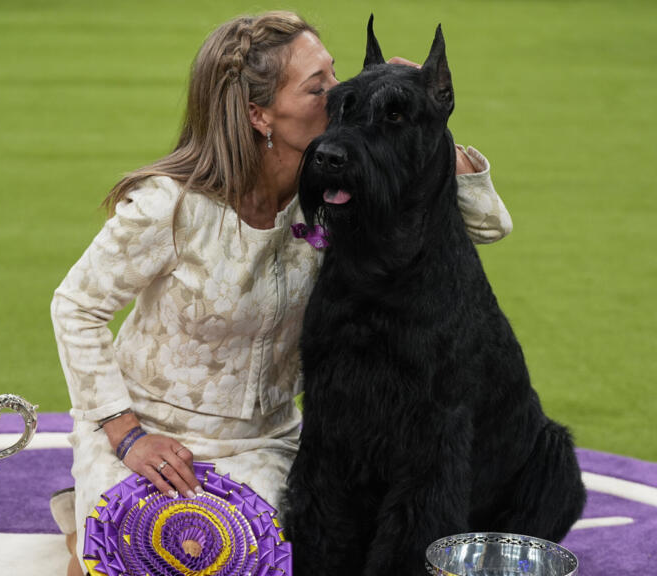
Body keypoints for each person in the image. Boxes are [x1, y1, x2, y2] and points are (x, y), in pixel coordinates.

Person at [50, 11, 512, 575]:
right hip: (150, 435)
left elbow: (487, 224)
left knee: (246, 561)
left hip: (265, 444)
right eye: (320, 88)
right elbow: (75, 306)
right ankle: (88, 526)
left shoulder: (334, 194)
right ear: (259, 114)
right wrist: (125, 434)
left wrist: (419, 112)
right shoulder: (167, 205)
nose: (339, 95)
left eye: (337, 78)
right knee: (148, 554)